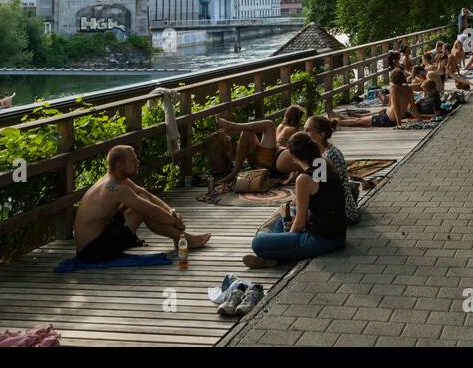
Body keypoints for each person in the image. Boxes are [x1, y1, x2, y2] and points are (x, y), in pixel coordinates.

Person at [74, 144, 212, 263]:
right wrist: (176, 223)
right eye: (133, 160)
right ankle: (184, 238)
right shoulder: (115, 188)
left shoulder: (117, 178)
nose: (138, 162)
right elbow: (151, 210)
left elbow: (145, 194)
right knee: (141, 209)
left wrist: (173, 213)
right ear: (120, 165)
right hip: (91, 251)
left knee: (141, 198)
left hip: (101, 237)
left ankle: (181, 238)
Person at [243, 133, 347, 268]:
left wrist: (288, 238)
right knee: (287, 214)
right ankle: (277, 253)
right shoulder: (325, 166)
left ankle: (275, 256)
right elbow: (324, 202)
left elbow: (299, 224)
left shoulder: (304, 179)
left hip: (322, 239)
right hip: (338, 234)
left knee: (258, 242)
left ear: (293, 156)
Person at [215, 104, 305, 183]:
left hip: (265, 161)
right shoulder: (294, 130)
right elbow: (293, 151)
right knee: (255, 129)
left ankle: (234, 171)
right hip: (268, 160)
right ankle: (232, 126)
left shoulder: (280, 126)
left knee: (261, 127)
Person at [304, 116, 360, 224]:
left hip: (340, 213)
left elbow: (320, 191)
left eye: (308, 130)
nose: (304, 133)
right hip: (344, 209)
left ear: (321, 134)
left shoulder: (324, 158)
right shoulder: (329, 149)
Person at [337, 68, 412, 127]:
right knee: (362, 119)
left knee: (359, 121)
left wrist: (399, 124)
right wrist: (419, 117)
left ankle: (337, 122)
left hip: (388, 119)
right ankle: (342, 119)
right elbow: (412, 105)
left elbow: (396, 107)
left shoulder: (394, 88)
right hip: (389, 116)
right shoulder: (407, 88)